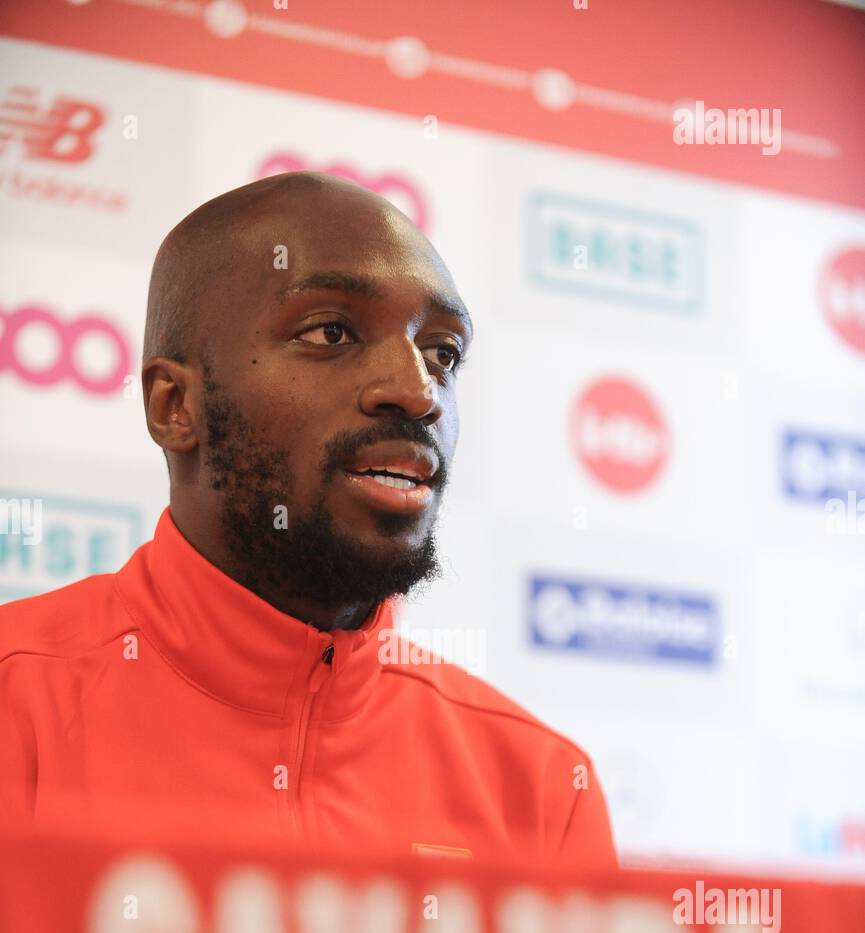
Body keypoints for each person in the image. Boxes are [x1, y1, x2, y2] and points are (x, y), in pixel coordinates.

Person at [0, 172, 616, 870]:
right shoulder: (14, 705)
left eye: (441, 353)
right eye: (332, 331)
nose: (417, 392)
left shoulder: (538, 789)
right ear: (175, 405)